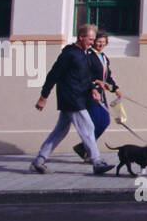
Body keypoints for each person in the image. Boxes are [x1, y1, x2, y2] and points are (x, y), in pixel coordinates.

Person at [30, 24, 113, 175]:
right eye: (90, 39)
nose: (92, 42)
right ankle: (97, 162)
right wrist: (43, 97)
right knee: (88, 127)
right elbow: (53, 75)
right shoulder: (69, 55)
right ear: (81, 37)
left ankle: (39, 161)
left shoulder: (84, 54)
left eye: (93, 39)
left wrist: (94, 87)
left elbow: (84, 77)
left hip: (78, 96)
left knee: (60, 131)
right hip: (71, 98)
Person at [73, 30, 122, 162]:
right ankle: (90, 151)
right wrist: (94, 83)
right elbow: (85, 74)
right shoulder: (88, 55)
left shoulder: (104, 57)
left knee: (105, 121)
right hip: (90, 93)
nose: (100, 44)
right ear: (93, 41)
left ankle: (83, 147)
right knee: (94, 123)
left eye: (103, 42)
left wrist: (115, 88)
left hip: (101, 94)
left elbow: (107, 77)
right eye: (98, 41)